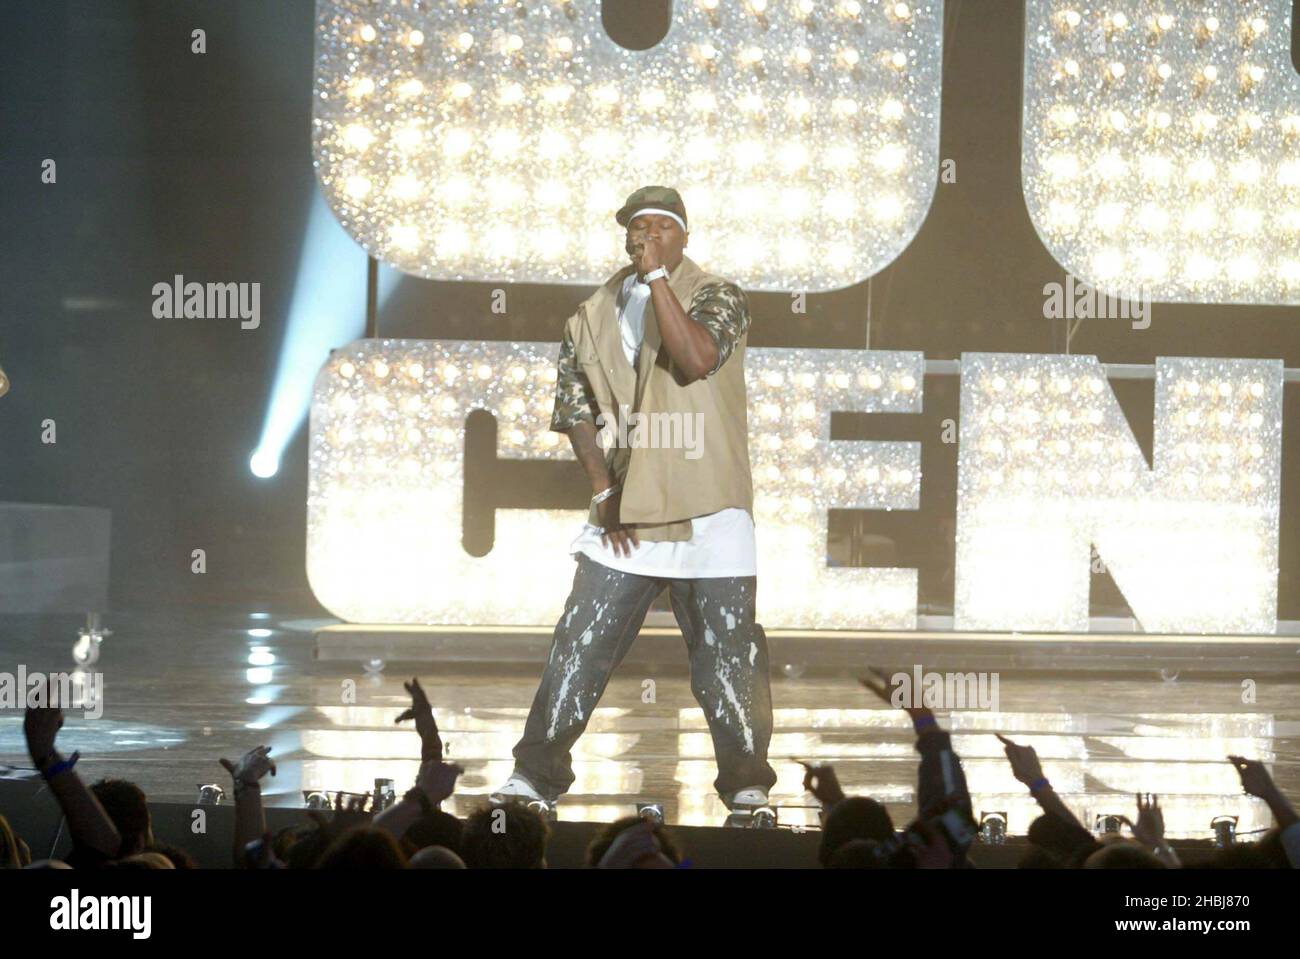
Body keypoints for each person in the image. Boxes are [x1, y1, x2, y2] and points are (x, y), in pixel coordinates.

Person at [494, 185, 776, 814]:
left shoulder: (716, 295)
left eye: (659, 227)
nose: (644, 235)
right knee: (580, 642)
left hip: (709, 505)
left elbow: (695, 357)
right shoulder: (588, 316)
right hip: (628, 507)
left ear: (683, 236)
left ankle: (746, 783)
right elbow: (575, 409)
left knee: (728, 656)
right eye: (635, 227)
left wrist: (656, 282)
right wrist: (603, 488)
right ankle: (535, 775)